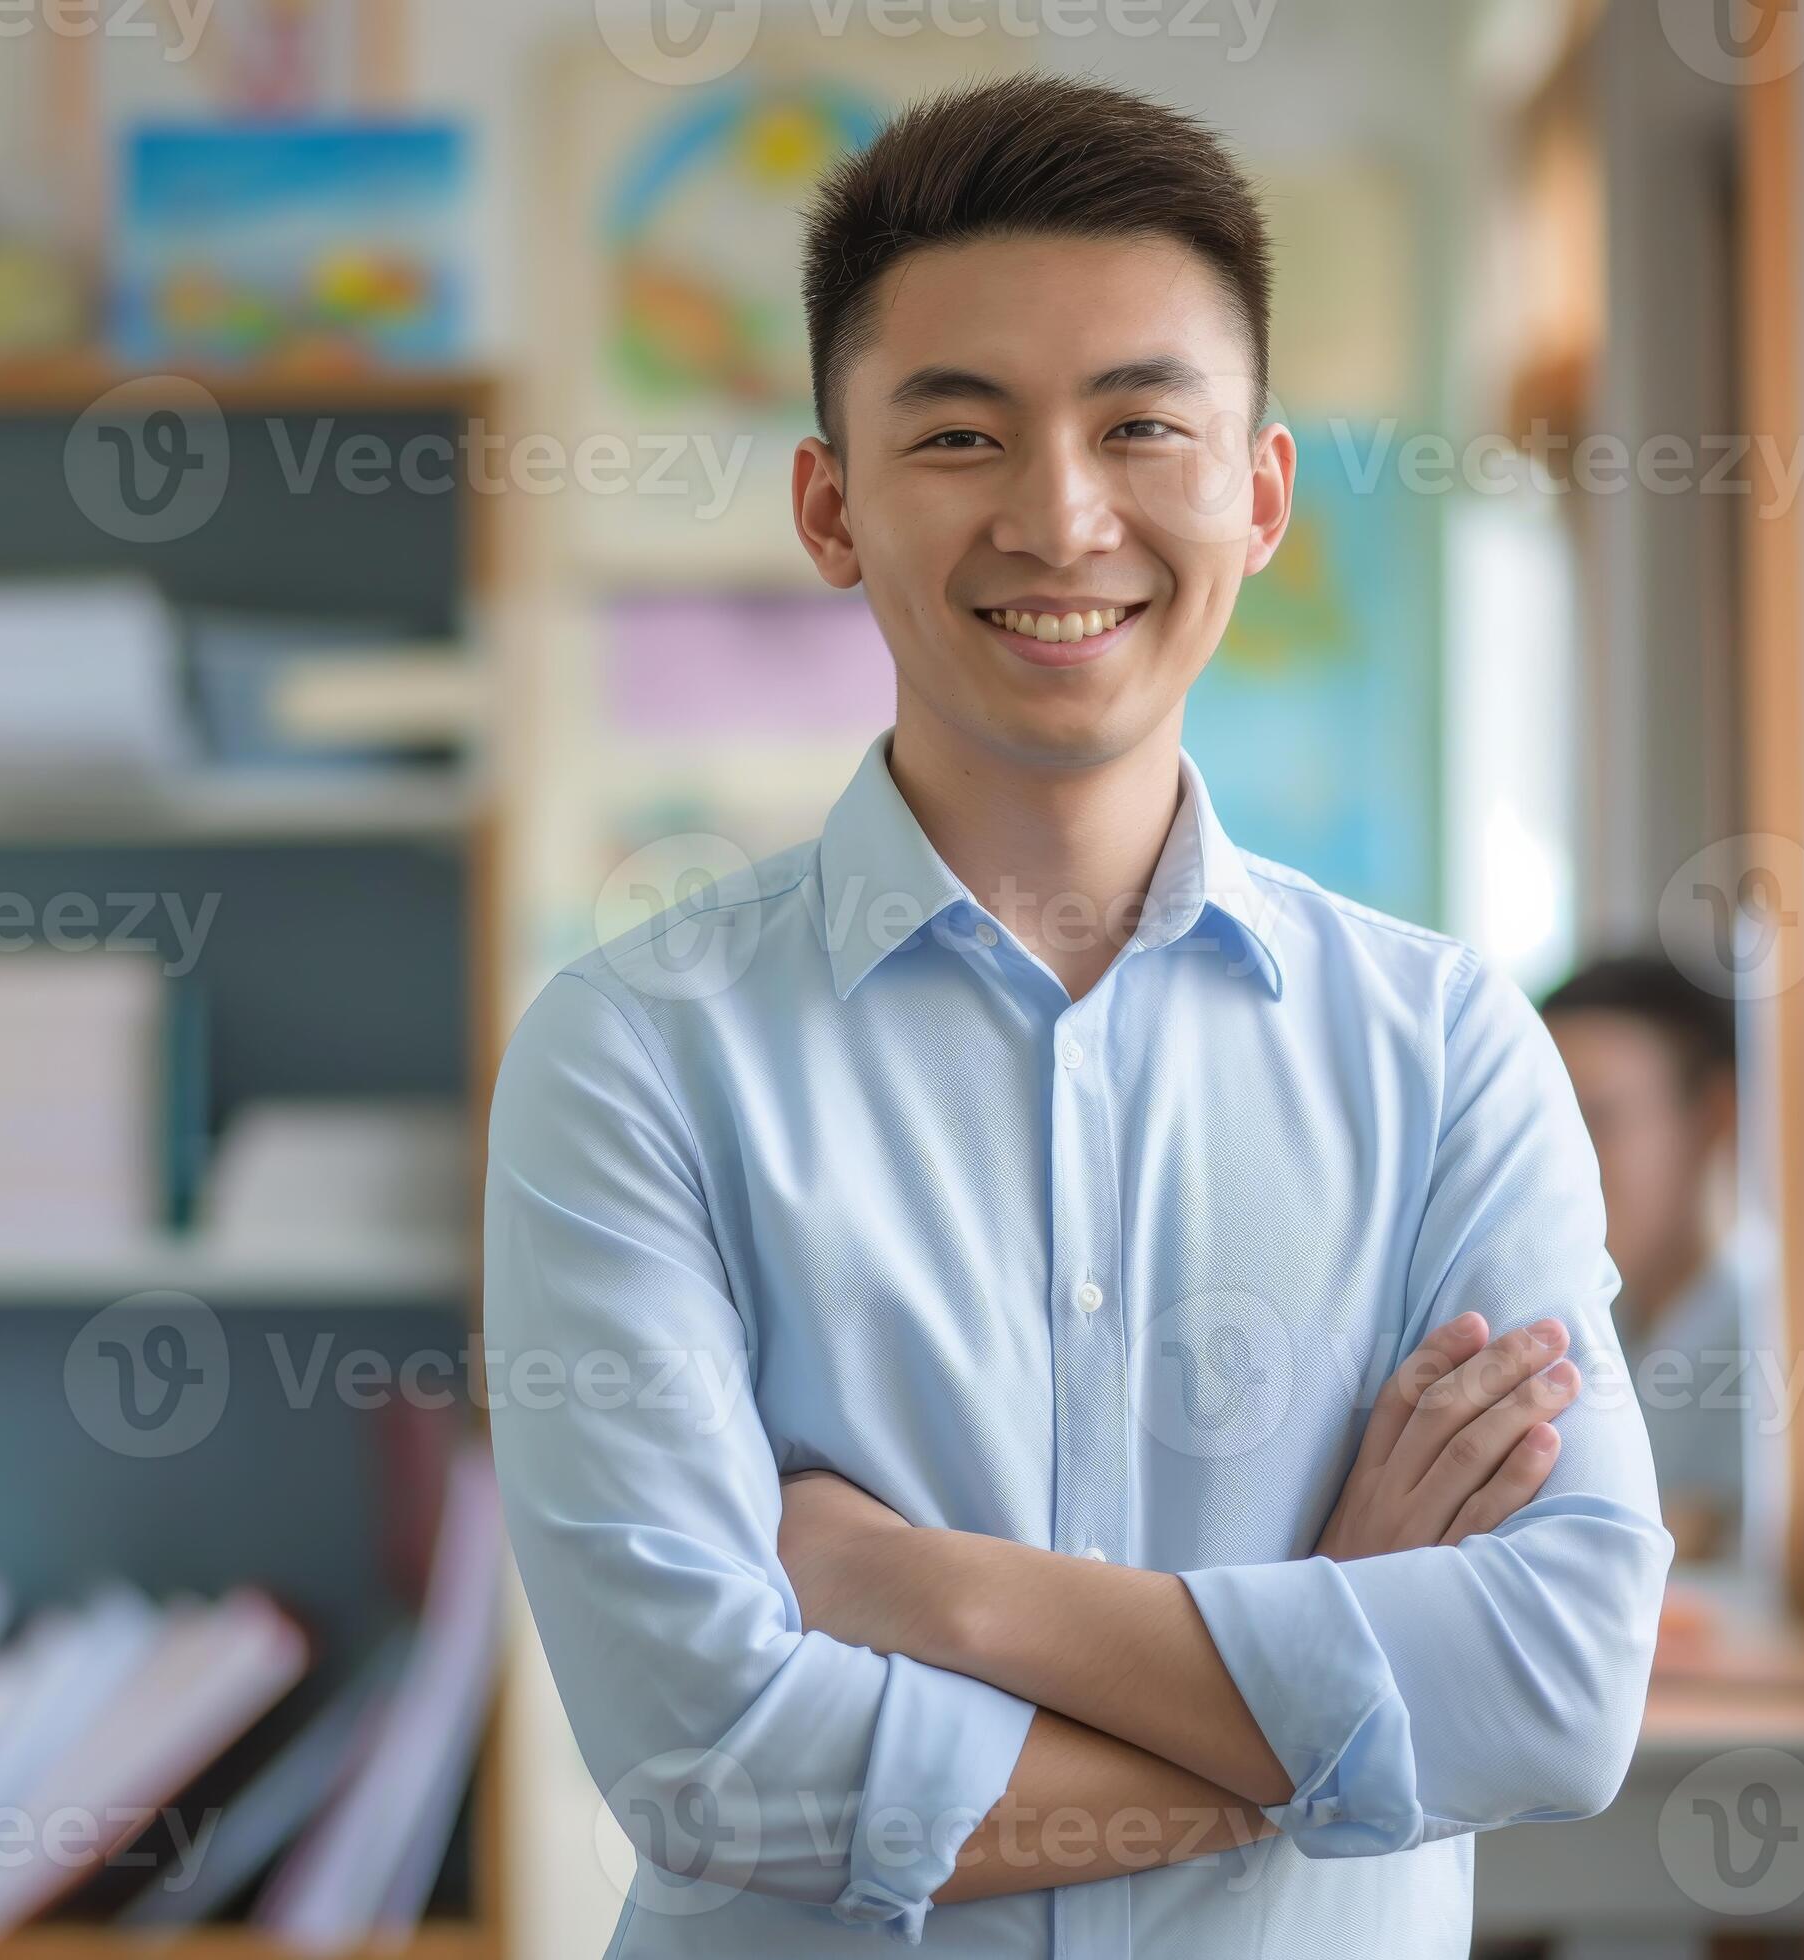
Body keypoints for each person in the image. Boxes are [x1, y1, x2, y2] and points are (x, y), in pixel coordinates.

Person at [482, 74, 1669, 1957]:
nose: (1058, 515)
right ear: (830, 508)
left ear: (1259, 496)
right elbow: (711, 1758)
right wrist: (1334, 1675)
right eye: (961, 434)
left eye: (1142, 428)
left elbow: (1557, 1690)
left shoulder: (1447, 1053)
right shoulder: (636, 1055)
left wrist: (932, 1597)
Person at [1540, 953, 1761, 1563]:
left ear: (1715, 1118)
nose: (1562, 1167)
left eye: (1597, 1119)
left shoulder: (1775, 1333)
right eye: (1545, 1128)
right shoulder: (1576, 1326)